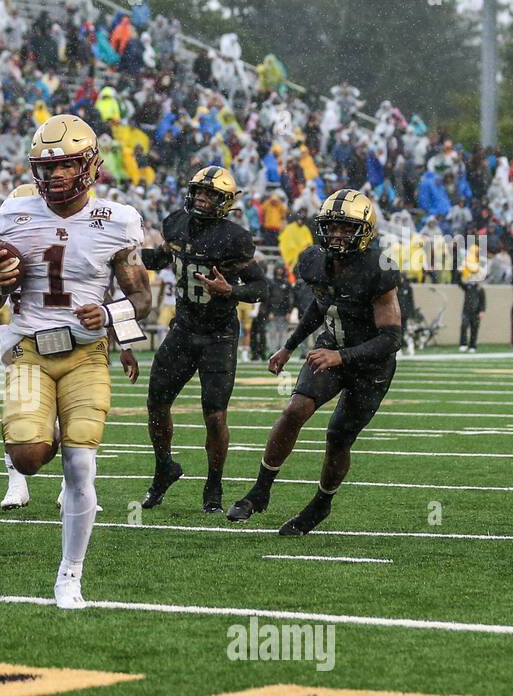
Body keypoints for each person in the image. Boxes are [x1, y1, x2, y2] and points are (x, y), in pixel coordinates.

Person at [0, 114, 152, 610]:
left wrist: (111, 313)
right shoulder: (14, 214)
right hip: (28, 349)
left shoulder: (117, 219)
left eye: (66, 166)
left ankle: (70, 574)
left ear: (90, 164)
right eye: (46, 168)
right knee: (29, 455)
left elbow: (142, 298)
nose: (53, 177)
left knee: (80, 462)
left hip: (86, 352)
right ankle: (38, 433)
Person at [227, 189, 403, 536]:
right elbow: (320, 305)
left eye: (346, 228)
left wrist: (342, 356)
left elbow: (391, 339)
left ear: (365, 231)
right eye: (332, 226)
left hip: (371, 364)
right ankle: (260, 490)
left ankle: (320, 505)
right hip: (330, 347)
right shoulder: (312, 260)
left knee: (338, 437)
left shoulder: (379, 268)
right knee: (295, 410)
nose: (336, 234)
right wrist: (289, 347)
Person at [139, 166, 267, 513]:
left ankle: (214, 484)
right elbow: (164, 257)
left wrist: (232, 290)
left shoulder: (234, 238)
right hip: (182, 330)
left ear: (225, 203)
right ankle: (164, 467)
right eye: (198, 191)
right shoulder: (175, 224)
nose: (201, 198)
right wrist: (128, 254)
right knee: (156, 404)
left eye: (210, 194)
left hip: (219, 337)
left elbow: (260, 287)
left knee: (214, 416)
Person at [458, 280, 486, 353]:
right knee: (464, 326)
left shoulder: (480, 289)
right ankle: (463, 344)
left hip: (476, 312)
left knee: (474, 329)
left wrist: (482, 311)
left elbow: (483, 301)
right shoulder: (467, 287)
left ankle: (472, 346)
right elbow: (460, 283)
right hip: (466, 311)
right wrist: (459, 272)